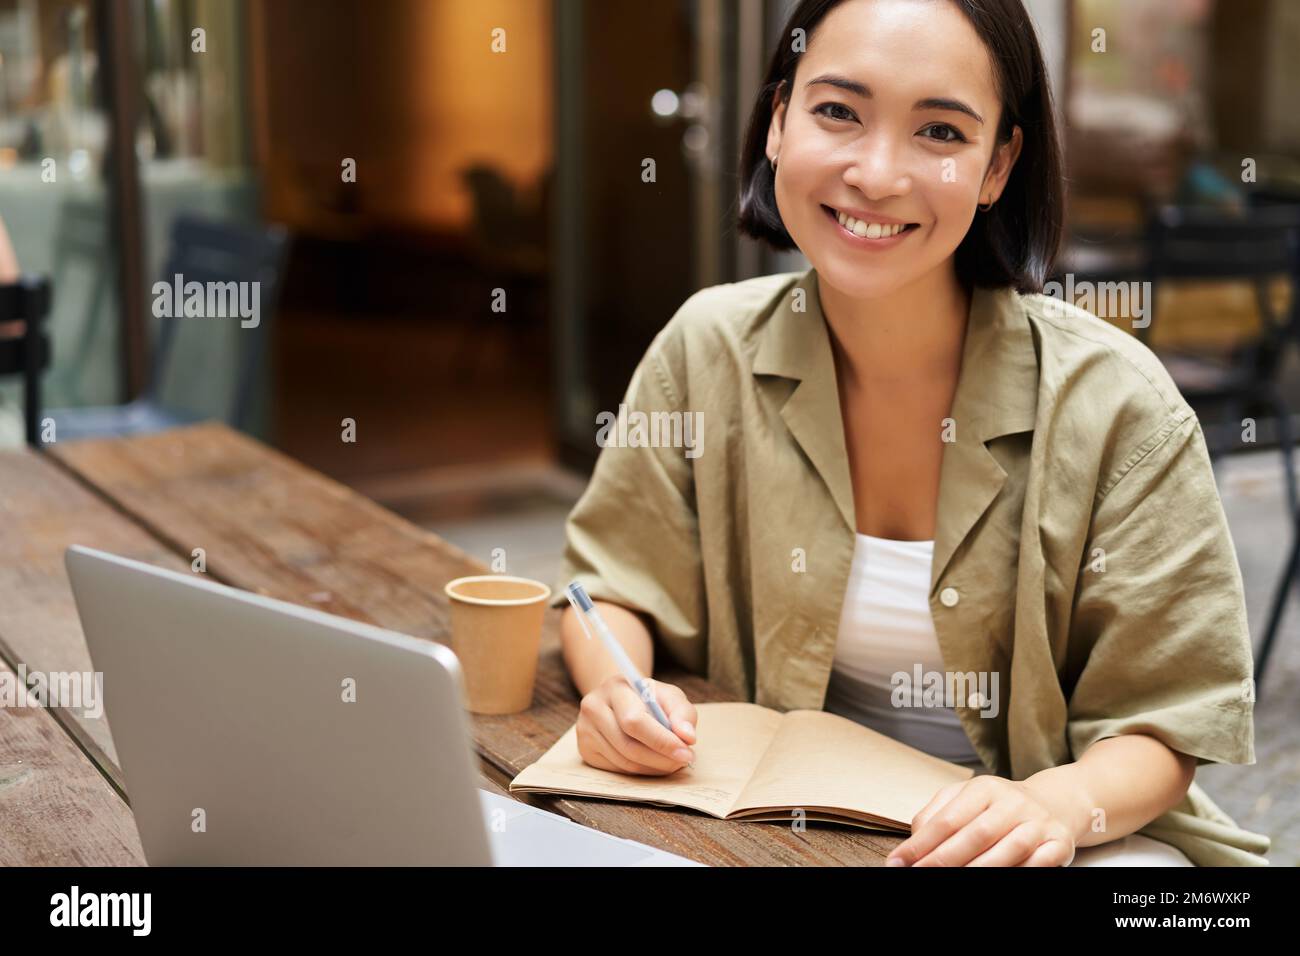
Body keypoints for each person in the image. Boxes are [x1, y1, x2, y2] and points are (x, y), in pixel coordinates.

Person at [552, 0, 1270, 866]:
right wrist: (620, 693)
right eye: (837, 111)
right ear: (777, 122)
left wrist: (1051, 805)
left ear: (998, 165)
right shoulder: (706, 348)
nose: (877, 173)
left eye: (939, 131)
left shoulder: (1118, 406)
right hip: (773, 825)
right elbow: (610, 587)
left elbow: (1165, 722)